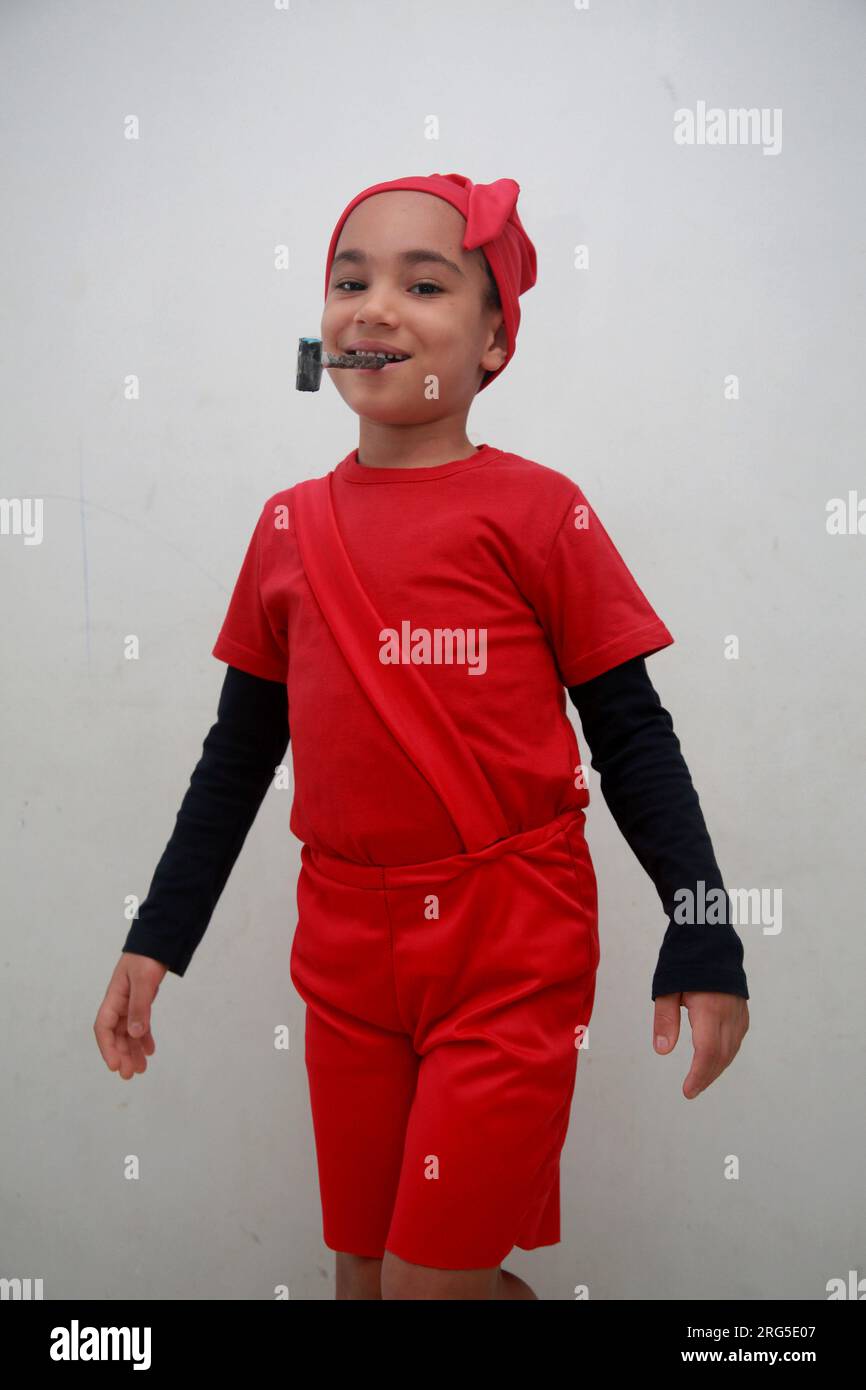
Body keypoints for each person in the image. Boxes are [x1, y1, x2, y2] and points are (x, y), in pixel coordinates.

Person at [94, 173, 749, 1301]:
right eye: (349, 281)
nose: (373, 307)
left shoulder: (542, 512)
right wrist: (156, 937)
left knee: (424, 1283)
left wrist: (703, 931)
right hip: (345, 952)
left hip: (506, 944)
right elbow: (236, 757)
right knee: (360, 1276)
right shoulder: (286, 527)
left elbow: (633, 737)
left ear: (493, 342)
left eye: (422, 280)